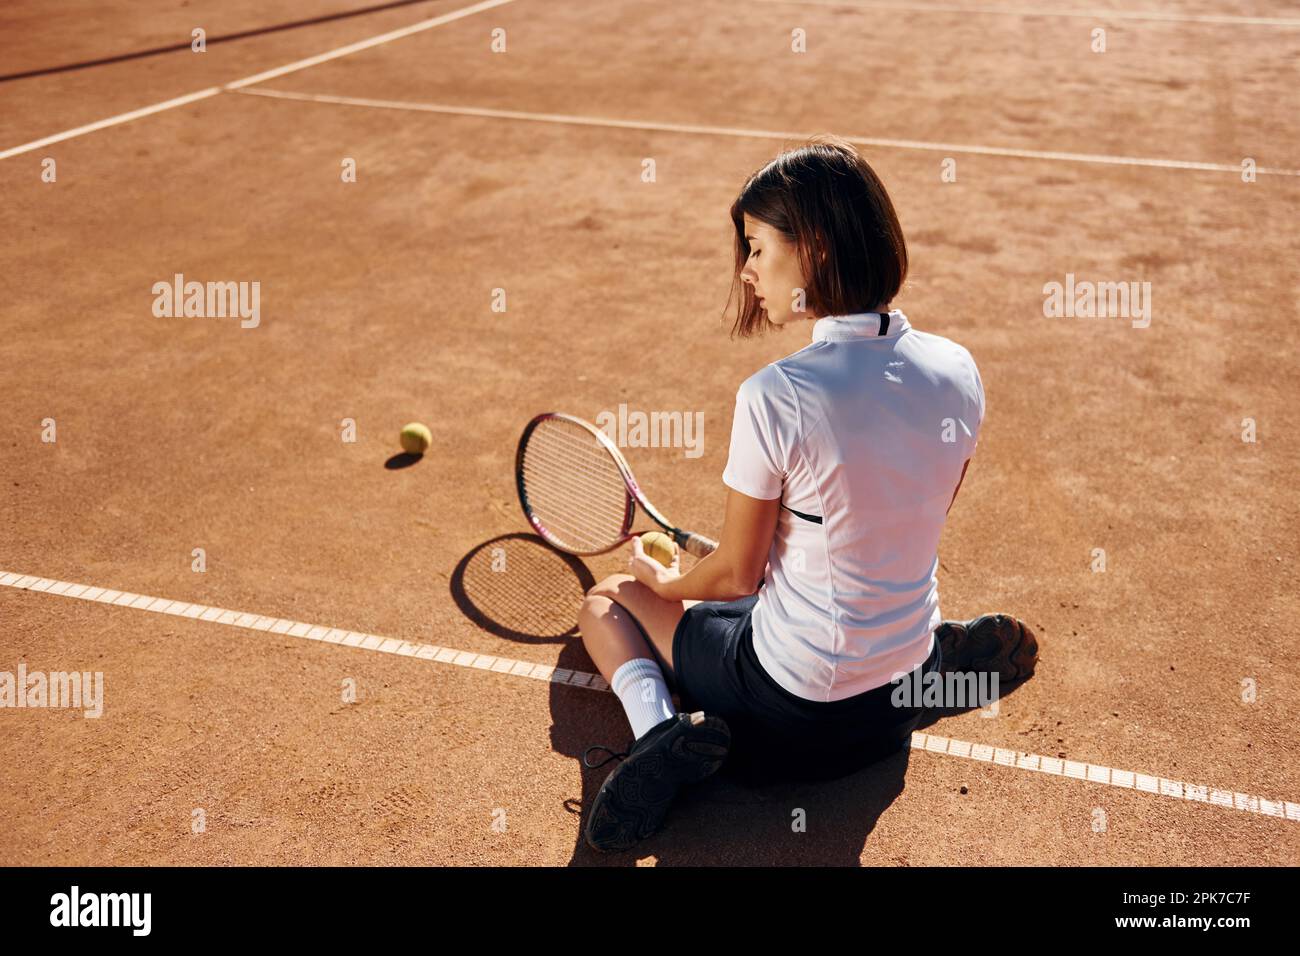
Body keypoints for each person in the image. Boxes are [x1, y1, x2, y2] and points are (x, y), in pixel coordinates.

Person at [576, 135, 1039, 854]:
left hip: (792, 713)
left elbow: (736, 574)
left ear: (815, 246)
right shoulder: (958, 368)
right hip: (892, 702)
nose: (747, 269)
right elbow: (882, 520)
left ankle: (660, 735)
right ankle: (939, 668)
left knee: (606, 602)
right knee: (773, 599)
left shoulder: (776, 394)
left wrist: (668, 578)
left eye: (758, 247)